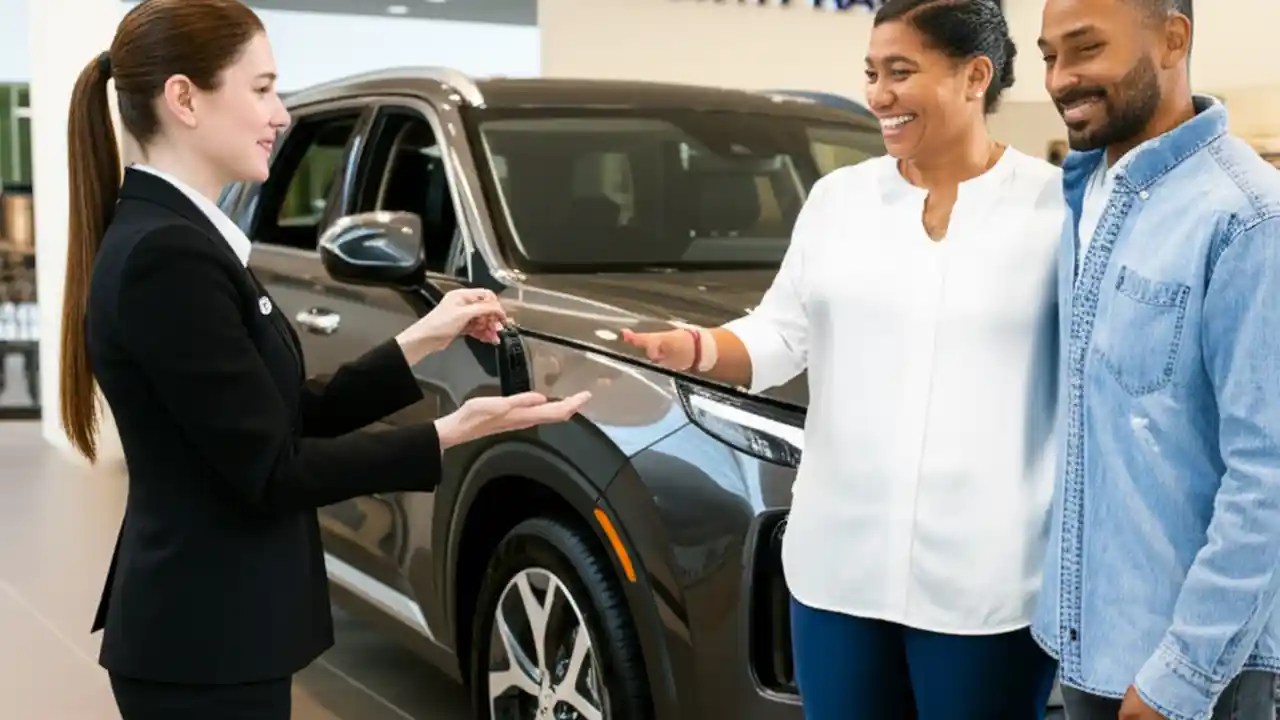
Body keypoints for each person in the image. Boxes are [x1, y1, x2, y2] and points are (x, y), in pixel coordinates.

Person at [59, 1, 590, 717]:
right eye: (262, 88)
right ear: (183, 98)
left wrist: (421, 339)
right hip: (203, 640)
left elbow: (282, 416)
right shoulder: (168, 257)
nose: (281, 113)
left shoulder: (184, 240)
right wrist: (453, 431)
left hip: (214, 628)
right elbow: (273, 471)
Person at [623, 0, 1063, 716]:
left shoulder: (1056, 211)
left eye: (900, 71)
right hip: (839, 569)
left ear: (974, 75)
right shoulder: (840, 201)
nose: (878, 95)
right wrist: (698, 348)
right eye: (870, 72)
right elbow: (778, 334)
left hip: (988, 578)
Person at [1031, 1, 1280, 719]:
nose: (1060, 78)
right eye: (1049, 55)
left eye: (1085, 49)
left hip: (1192, 676)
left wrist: (1181, 676)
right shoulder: (1087, 196)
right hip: (1089, 648)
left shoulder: (1247, 217)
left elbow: (1267, 476)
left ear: (1174, 39)